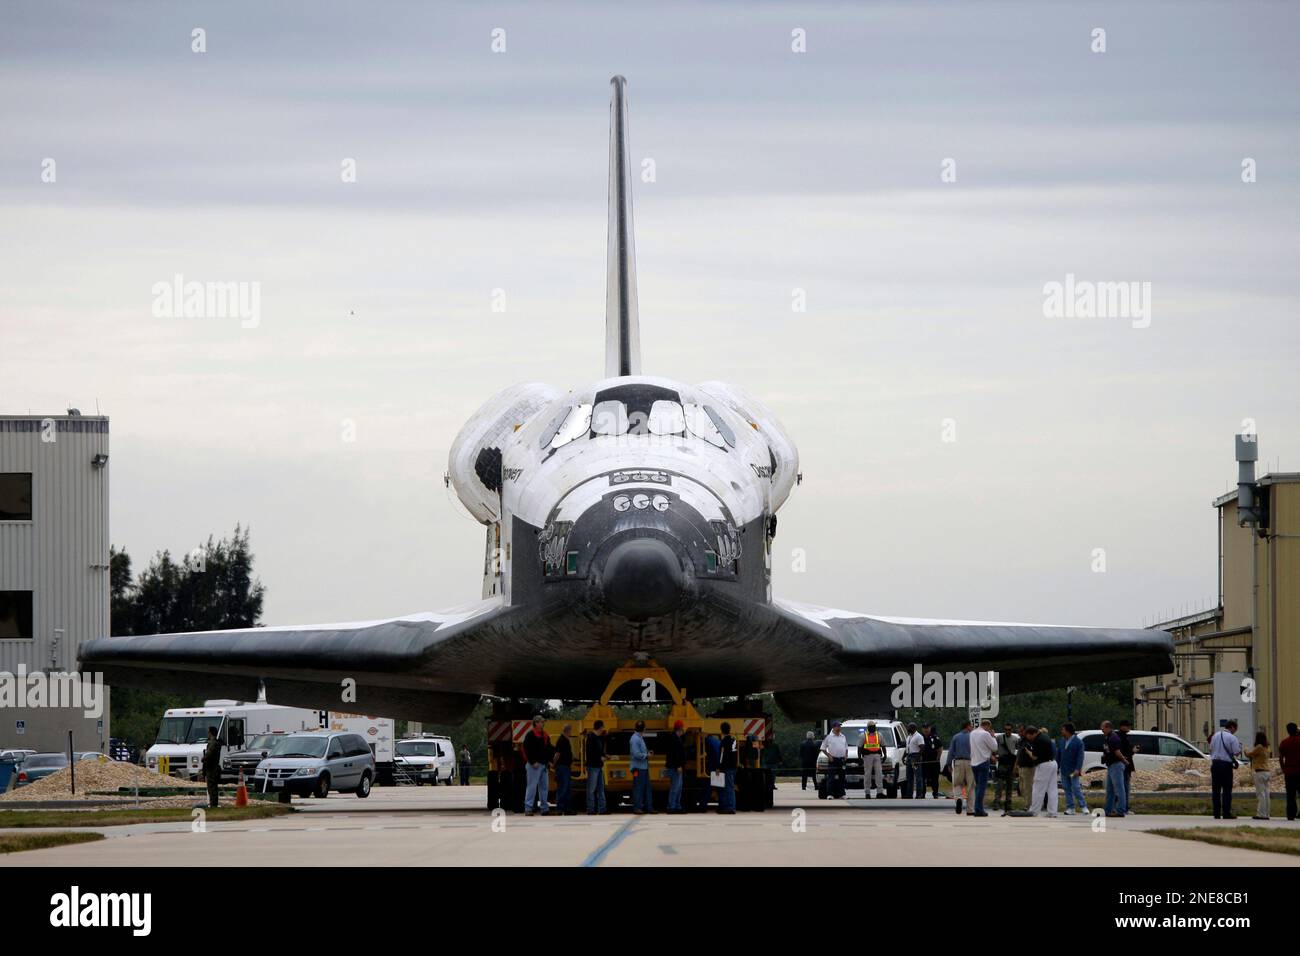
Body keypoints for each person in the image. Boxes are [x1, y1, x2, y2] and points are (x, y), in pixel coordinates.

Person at [1209, 720, 1243, 820]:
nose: (1235, 731)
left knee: (1216, 790)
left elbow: (1211, 749)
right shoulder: (1232, 738)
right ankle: (1226, 812)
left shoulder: (1215, 735)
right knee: (1227, 790)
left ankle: (1216, 813)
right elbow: (1236, 752)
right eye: (1235, 729)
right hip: (1226, 766)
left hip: (1215, 764)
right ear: (1232, 727)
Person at [1022, 725, 1058, 817]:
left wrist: (1028, 752)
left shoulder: (1038, 740)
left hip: (1044, 765)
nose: (1028, 739)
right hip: (1053, 763)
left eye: (1028, 736)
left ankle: (1034, 810)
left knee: (1038, 788)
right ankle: (1052, 812)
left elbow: (1035, 757)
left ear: (1032, 734)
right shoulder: (1045, 736)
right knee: (1052, 789)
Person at [522, 715, 552, 816]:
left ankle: (544, 808)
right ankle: (528, 808)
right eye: (541, 722)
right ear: (536, 723)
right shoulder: (530, 735)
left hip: (543, 765)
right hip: (534, 765)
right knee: (532, 786)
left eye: (543, 722)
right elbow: (526, 749)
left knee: (544, 787)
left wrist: (549, 761)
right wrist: (532, 762)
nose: (543, 724)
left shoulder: (545, 735)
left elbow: (548, 748)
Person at [969, 719, 998, 817]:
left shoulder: (972, 733)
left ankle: (977, 807)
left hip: (974, 762)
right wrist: (993, 736)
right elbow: (994, 747)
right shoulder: (985, 734)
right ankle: (979, 809)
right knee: (982, 787)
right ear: (987, 726)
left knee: (977, 787)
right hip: (983, 761)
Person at [1056, 723, 1086, 815]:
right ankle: (1070, 807)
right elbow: (1058, 755)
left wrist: (1078, 769)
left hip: (1073, 770)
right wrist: (1057, 767)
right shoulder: (1062, 741)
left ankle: (1083, 806)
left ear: (1068, 731)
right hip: (1064, 769)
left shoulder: (1078, 742)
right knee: (1066, 788)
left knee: (1076, 787)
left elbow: (1080, 757)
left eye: (1063, 729)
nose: (1061, 731)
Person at [945, 721, 973, 814]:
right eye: (971, 726)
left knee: (957, 784)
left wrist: (949, 764)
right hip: (970, 762)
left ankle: (959, 799)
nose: (972, 727)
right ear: (967, 726)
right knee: (971, 786)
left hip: (958, 762)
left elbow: (951, 751)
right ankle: (970, 809)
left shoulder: (956, 737)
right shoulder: (972, 736)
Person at [1101, 720, 1128, 817]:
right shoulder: (1107, 738)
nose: (1102, 730)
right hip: (1110, 765)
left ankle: (1121, 810)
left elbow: (1117, 752)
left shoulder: (1114, 738)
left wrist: (1124, 760)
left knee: (1119, 789)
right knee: (1110, 790)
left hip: (1116, 765)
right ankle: (1108, 810)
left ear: (1108, 727)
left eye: (1103, 728)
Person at [585, 720, 609, 815]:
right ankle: (590, 809)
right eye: (603, 727)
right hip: (593, 766)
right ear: (600, 727)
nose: (603, 729)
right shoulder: (591, 737)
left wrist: (605, 755)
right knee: (591, 789)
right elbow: (590, 753)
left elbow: (599, 751)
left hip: (599, 766)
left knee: (601, 788)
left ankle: (602, 809)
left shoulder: (599, 738)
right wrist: (600, 758)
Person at [1246, 730, 1271, 821]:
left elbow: (1250, 754)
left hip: (1260, 772)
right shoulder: (1267, 747)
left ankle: (1261, 814)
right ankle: (1266, 813)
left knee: (1261, 794)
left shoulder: (1259, 747)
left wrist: (1245, 750)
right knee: (1266, 794)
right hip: (1267, 771)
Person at [820, 720, 848, 800]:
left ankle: (842, 794)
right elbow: (823, 748)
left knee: (842, 778)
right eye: (838, 726)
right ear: (834, 727)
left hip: (841, 760)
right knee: (831, 778)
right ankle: (830, 794)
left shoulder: (843, 736)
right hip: (833, 760)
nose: (839, 727)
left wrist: (846, 755)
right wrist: (829, 756)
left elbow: (846, 747)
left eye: (840, 726)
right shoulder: (829, 737)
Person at [993, 724, 1017, 813]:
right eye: (1006, 729)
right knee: (999, 785)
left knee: (1010, 785)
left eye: (1009, 729)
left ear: (1012, 730)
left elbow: (1017, 749)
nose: (1007, 731)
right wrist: (994, 756)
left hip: (1011, 764)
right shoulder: (999, 738)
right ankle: (997, 802)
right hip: (1002, 763)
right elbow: (994, 747)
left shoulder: (1015, 739)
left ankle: (1008, 803)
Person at [630, 719, 652, 814]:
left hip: (643, 767)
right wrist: (646, 755)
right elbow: (636, 754)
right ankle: (637, 808)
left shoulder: (639, 737)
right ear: (644, 729)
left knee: (646, 788)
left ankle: (648, 807)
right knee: (638, 788)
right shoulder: (635, 739)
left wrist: (646, 753)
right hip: (638, 768)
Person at [665, 720, 687, 813]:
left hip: (677, 766)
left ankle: (677, 806)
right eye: (683, 728)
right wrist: (678, 765)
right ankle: (672, 806)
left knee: (678, 788)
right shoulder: (674, 739)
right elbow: (675, 754)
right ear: (680, 728)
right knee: (675, 787)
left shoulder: (676, 738)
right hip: (675, 767)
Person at [1280, 722, 1300, 821]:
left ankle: (1291, 814)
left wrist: (1283, 768)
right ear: (1296, 730)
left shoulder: (1284, 742)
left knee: (1290, 795)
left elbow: (1281, 758)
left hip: (1289, 772)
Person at [553, 724, 574, 815]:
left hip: (566, 767)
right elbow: (557, 754)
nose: (571, 732)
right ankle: (560, 808)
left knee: (567, 788)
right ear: (567, 731)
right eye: (570, 730)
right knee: (562, 787)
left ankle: (567, 808)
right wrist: (554, 764)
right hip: (562, 767)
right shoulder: (561, 740)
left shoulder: (565, 740)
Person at [860, 721, 885, 798]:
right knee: (867, 774)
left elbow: (883, 745)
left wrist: (885, 755)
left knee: (879, 773)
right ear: (868, 727)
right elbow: (859, 747)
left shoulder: (879, 735)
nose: (874, 728)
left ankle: (879, 792)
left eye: (874, 726)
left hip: (877, 755)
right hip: (867, 756)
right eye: (872, 726)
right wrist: (859, 757)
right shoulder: (863, 735)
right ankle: (867, 793)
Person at [699, 731, 722, 811]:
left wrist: (717, 767)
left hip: (714, 766)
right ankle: (721, 805)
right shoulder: (715, 740)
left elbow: (715, 753)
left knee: (708, 787)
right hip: (717, 765)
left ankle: (703, 806)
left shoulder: (707, 742)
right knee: (718, 787)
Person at [1015, 724, 1036, 811]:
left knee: (1028, 787)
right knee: (1021, 788)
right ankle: (1027, 803)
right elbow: (1018, 754)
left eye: (1021, 731)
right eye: (1018, 731)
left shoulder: (1030, 741)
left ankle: (1029, 805)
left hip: (1029, 767)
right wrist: (1016, 765)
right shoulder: (1020, 741)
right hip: (1021, 766)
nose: (1019, 733)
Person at [1118, 720, 1137, 810]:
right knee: (1125, 787)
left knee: (1123, 787)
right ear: (1122, 726)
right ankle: (1124, 807)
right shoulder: (1121, 738)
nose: (1129, 727)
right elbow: (1124, 753)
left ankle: (1122, 806)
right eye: (1127, 726)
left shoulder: (1122, 737)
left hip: (1124, 765)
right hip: (1125, 765)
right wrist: (1132, 751)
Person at [921, 724, 943, 799]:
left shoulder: (934, 737)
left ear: (930, 728)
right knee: (923, 778)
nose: (926, 730)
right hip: (923, 762)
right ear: (922, 729)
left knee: (935, 779)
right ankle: (922, 793)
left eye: (927, 728)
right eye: (924, 728)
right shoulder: (920, 737)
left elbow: (940, 748)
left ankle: (935, 793)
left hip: (934, 762)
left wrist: (938, 758)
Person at [202, 725, 222, 809]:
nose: (208, 734)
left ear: (211, 733)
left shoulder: (213, 743)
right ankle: (213, 804)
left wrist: (204, 758)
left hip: (212, 768)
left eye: (208, 732)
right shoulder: (214, 742)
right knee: (212, 787)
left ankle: (213, 804)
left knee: (212, 787)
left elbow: (209, 754)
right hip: (212, 767)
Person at [904, 723, 924, 798]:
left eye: (909, 727)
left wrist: (917, 759)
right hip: (909, 756)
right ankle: (909, 794)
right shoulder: (908, 737)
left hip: (915, 756)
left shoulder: (919, 736)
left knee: (918, 777)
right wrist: (903, 756)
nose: (907, 729)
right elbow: (907, 748)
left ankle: (919, 794)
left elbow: (922, 748)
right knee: (909, 777)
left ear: (913, 728)